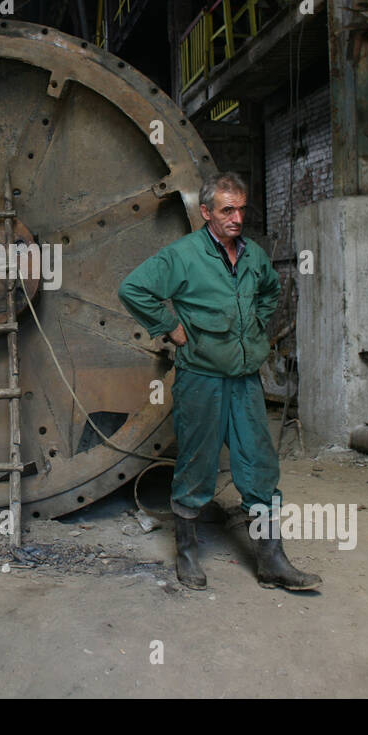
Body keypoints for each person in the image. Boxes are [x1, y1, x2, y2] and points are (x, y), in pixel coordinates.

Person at [118, 172, 320, 592]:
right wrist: (170, 327)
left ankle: (271, 561)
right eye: (227, 209)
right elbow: (133, 288)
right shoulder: (184, 256)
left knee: (259, 466)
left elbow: (269, 291)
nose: (237, 218)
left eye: (242, 208)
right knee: (197, 464)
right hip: (202, 379)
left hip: (246, 381)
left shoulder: (253, 256)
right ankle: (188, 555)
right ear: (206, 211)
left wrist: (259, 324)